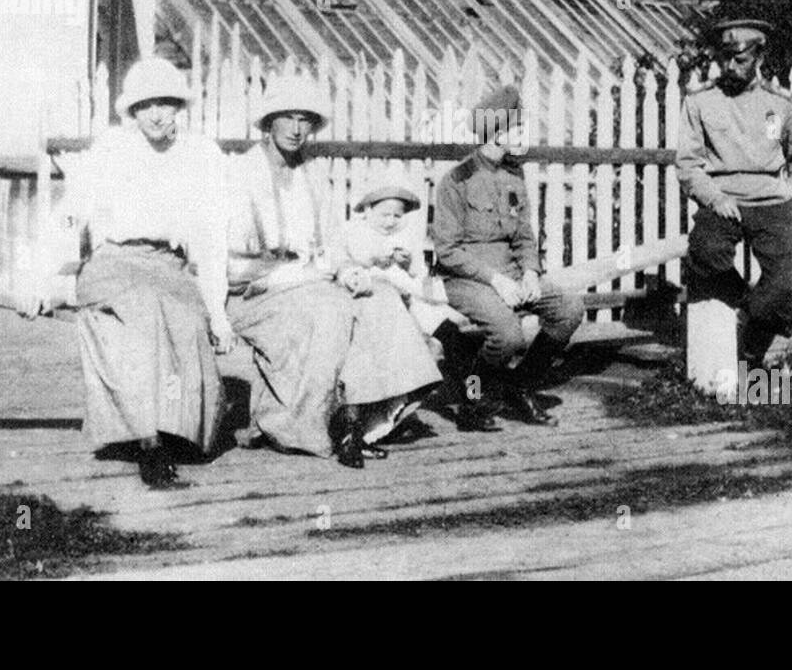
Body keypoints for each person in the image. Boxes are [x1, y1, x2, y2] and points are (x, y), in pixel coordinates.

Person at [18, 57, 231, 489]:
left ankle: (177, 429)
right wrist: (39, 282)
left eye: (166, 104)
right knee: (145, 311)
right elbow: (69, 217)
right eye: (145, 105)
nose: (155, 115)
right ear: (132, 111)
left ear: (179, 108)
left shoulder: (199, 155)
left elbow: (212, 239)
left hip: (168, 265)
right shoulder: (111, 150)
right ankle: (150, 444)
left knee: (187, 321)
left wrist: (218, 312)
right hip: (113, 264)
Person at [225, 74, 441, 468]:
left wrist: (346, 271)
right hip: (255, 290)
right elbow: (229, 258)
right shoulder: (241, 174)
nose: (295, 129)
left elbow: (331, 244)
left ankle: (358, 423)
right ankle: (303, 426)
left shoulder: (313, 173)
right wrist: (307, 273)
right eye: (287, 117)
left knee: (380, 298)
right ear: (268, 121)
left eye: (304, 119)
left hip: (311, 280)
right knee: (333, 311)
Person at [432, 84, 585, 431]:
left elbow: (524, 235)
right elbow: (447, 251)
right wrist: (496, 280)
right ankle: (473, 401)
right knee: (508, 335)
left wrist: (530, 273)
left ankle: (521, 385)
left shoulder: (515, 175)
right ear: (496, 132)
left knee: (568, 309)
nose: (523, 135)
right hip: (468, 279)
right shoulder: (456, 180)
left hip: (514, 275)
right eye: (517, 128)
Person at [677, 20, 792, 368]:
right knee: (704, 254)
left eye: (739, 59)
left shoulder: (780, 104)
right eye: (725, 58)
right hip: (722, 199)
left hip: (771, 201)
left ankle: (750, 356)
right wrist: (714, 198)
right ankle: (752, 307)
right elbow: (688, 165)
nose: (730, 67)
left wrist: (790, 194)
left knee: (782, 282)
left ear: (759, 57)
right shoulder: (701, 101)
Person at [344, 181, 460, 349]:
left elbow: (419, 272)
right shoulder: (359, 232)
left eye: (397, 216)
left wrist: (408, 264)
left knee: (433, 317)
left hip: (410, 294)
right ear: (369, 211)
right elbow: (359, 258)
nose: (390, 222)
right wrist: (384, 257)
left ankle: (463, 354)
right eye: (385, 215)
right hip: (374, 291)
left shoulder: (405, 236)